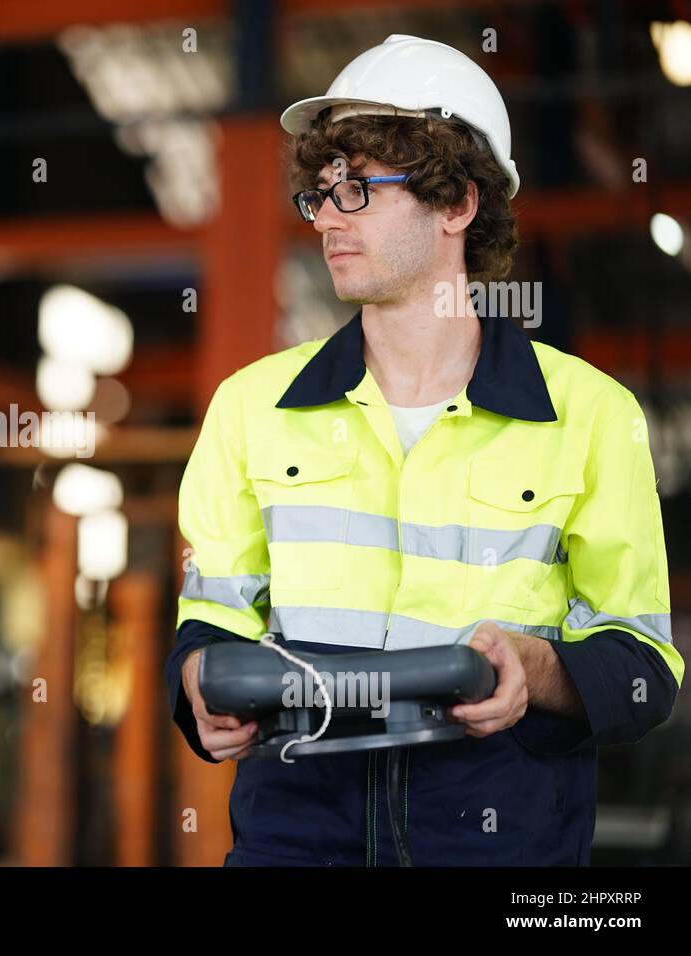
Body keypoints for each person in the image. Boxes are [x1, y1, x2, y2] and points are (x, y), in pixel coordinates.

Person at [166, 35, 683, 866]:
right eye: (323, 191)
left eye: (361, 190)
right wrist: (198, 688)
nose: (329, 215)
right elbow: (213, 620)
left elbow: (643, 671)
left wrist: (535, 668)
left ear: (457, 204)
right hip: (301, 834)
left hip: (497, 836)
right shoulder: (249, 407)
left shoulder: (589, 417)